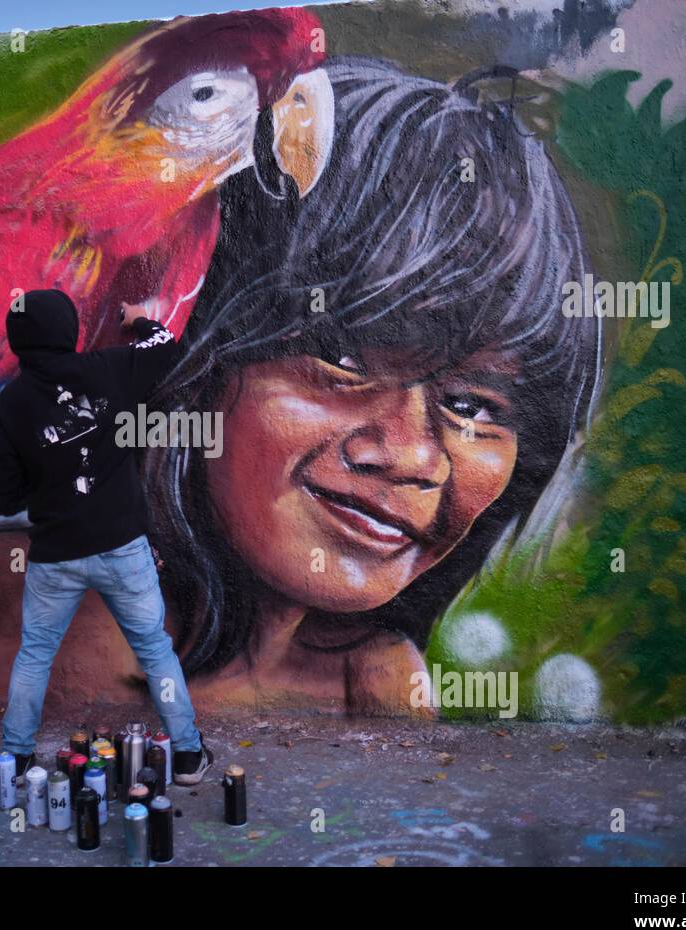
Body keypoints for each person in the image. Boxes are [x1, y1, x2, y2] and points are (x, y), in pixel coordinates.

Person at [141, 57, 602, 713]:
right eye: (344, 361)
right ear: (201, 350)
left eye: (472, 406)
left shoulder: (379, 681)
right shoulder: (64, 625)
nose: (412, 456)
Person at [0, 288, 212, 783]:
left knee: (35, 653)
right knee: (154, 650)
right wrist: (139, 318)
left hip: (55, 553)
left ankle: (17, 758)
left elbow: (0, 488)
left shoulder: (12, 403)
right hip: (122, 547)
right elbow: (167, 344)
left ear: (19, 340)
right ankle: (189, 756)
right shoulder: (109, 369)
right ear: (70, 330)